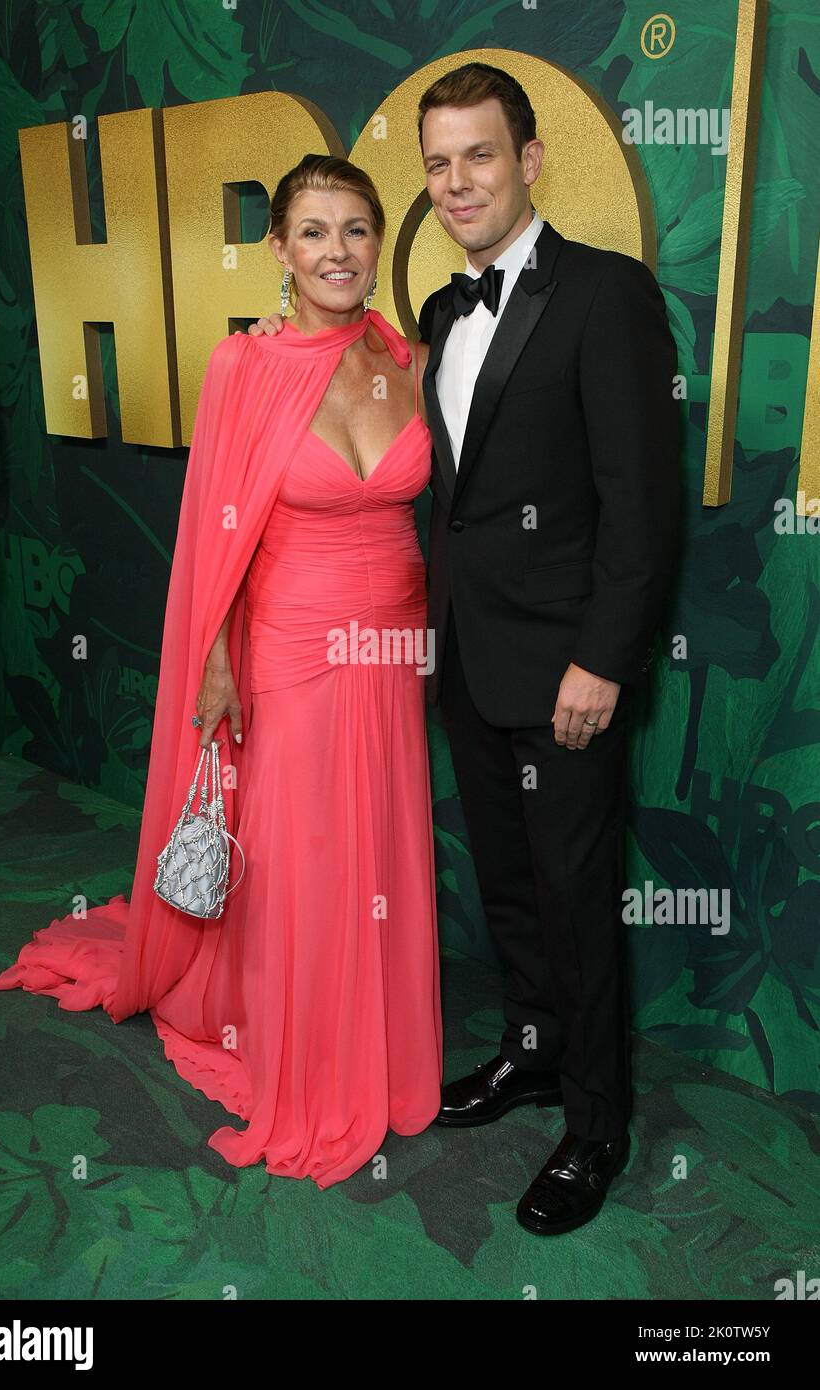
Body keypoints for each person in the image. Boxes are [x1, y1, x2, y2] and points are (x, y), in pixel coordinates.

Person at [252, 62, 680, 1233]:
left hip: (565, 675)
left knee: (578, 897)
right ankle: (531, 1053)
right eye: (437, 163)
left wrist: (601, 659)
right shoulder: (435, 315)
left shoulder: (605, 295)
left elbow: (641, 506)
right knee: (511, 887)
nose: (457, 181)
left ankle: (594, 1124)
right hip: (459, 660)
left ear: (528, 160)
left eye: (478, 156)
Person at [0, 154, 443, 1190]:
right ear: (278, 249)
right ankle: (296, 1048)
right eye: (315, 231)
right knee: (298, 855)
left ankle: (379, 1043)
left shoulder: (406, 359)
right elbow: (213, 532)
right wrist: (212, 660)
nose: (338, 251)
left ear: (380, 244)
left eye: (357, 229)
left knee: (374, 847)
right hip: (286, 647)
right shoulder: (242, 367)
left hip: (391, 650)